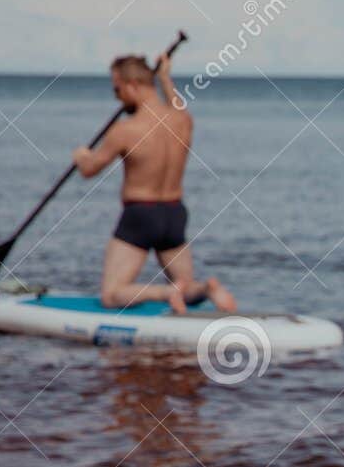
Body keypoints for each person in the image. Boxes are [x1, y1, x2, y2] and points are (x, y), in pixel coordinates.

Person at [71, 50, 235, 313]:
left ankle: (166, 293)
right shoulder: (182, 121)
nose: (117, 98)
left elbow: (90, 170)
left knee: (112, 295)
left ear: (132, 86)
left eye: (117, 90)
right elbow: (178, 106)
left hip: (140, 216)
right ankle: (207, 289)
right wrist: (165, 78)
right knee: (187, 284)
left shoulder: (126, 129)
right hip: (174, 213)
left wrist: (81, 156)